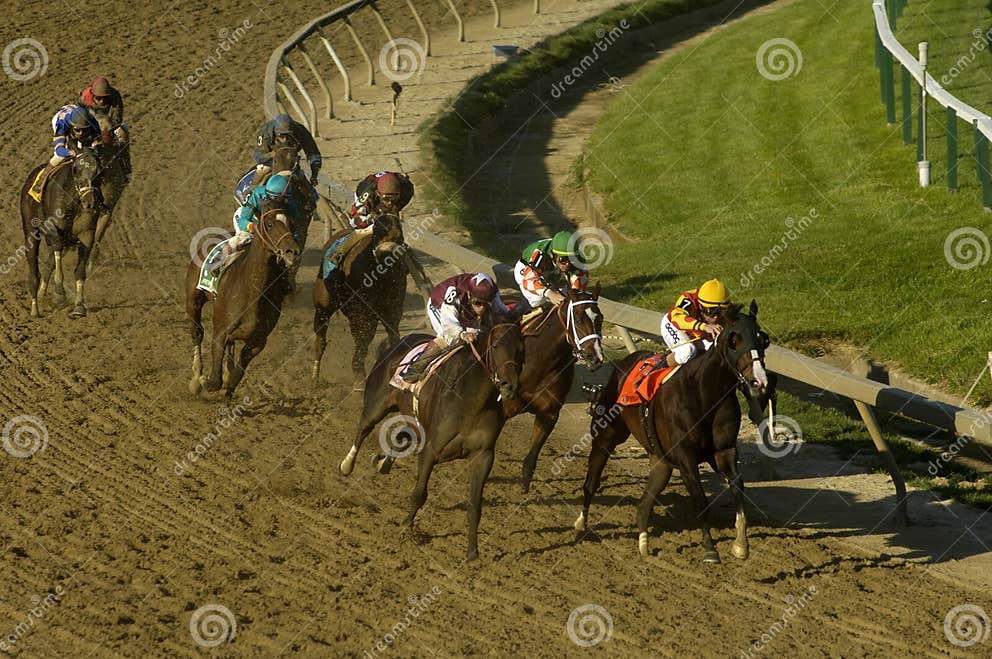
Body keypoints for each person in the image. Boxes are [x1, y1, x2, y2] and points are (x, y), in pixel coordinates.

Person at [401, 272, 509, 382]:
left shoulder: (492, 291)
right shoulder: (455, 291)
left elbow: (502, 312)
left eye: (486, 304)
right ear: (469, 294)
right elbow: (449, 322)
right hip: (440, 306)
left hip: (465, 312)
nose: (482, 308)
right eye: (478, 303)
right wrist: (462, 334)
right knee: (451, 339)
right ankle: (416, 368)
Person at [29, 105, 101, 198]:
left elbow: (98, 143)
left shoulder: (93, 123)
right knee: (60, 157)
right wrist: (72, 153)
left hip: (77, 117)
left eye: (84, 130)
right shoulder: (62, 124)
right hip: (62, 117)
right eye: (77, 130)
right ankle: (40, 182)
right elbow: (59, 150)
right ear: (72, 126)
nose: (81, 133)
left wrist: (93, 149)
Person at [661, 278, 731, 368]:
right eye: (712, 312)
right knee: (687, 351)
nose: (716, 317)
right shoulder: (689, 298)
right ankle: (660, 366)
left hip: (697, 330)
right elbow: (676, 318)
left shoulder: (725, 304)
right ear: (701, 306)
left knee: (715, 352)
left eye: (721, 312)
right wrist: (704, 326)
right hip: (674, 325)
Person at [514, 230, 589, 310]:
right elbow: (528, 282)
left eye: (572, 259)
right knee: (538, 300)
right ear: (553, 255)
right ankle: (515, 311)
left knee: (567, 300)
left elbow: (578, 288)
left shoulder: (579, 259)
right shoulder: (540, 255)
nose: (568, 264)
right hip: (527, 269)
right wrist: (549, 293)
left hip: (552, 271)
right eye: (563, 259)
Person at [77, 76, 130, 181]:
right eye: (98, 98)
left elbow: (117, 118)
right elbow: (79, 114)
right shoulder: (84, 97)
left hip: (108, 121)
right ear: (92, 94)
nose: (101, 101)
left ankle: (126, 167)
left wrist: (107, 130)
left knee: (124, 133)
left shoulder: (115, 96)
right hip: (91, 120)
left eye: (105, 98)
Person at [348, 171, 414, 228]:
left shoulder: (407, 188)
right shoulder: (367, 193)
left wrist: (394, 209)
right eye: (386, 199)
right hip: (365, 190)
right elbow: (353, 222)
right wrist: (369, 220)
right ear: (378, 193)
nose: (390, 203)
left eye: (394, 199)